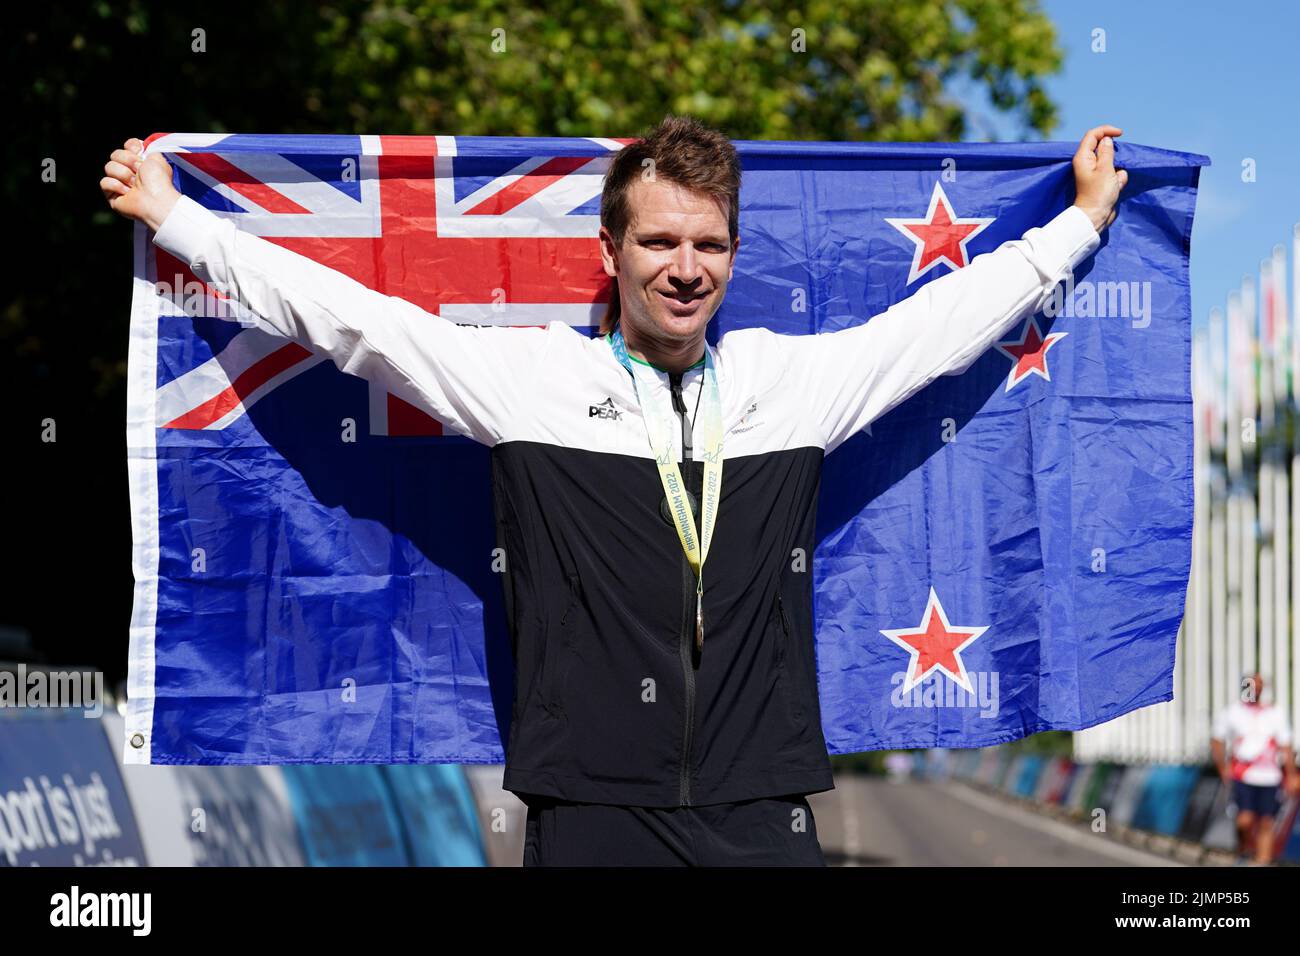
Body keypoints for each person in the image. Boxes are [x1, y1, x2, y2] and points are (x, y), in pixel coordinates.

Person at [101, 115, 1125, 866]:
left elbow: (938, 326)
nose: (685, 268)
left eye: (709, 243)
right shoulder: (532, 379)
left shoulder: (787, 382)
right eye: (658, 241)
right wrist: (178, 219)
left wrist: (1077, 224)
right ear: (610, 252)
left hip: (762, 805)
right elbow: (352, 319)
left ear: (733, 252)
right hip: (590, 811)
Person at [1211, 672, 1299, 865]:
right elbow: (1217, 740)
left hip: (1270, 777)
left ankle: (1262, 861)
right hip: (1244, 775)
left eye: (1259, 686)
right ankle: (1242, 850)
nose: (1256, 689)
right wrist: (1222, 767)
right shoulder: (1233, 712)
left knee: (1267, 822)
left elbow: (1286, 744)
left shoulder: (1274, 712)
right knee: (1245, 820)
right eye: (1252, 685)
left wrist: (1291, 775)